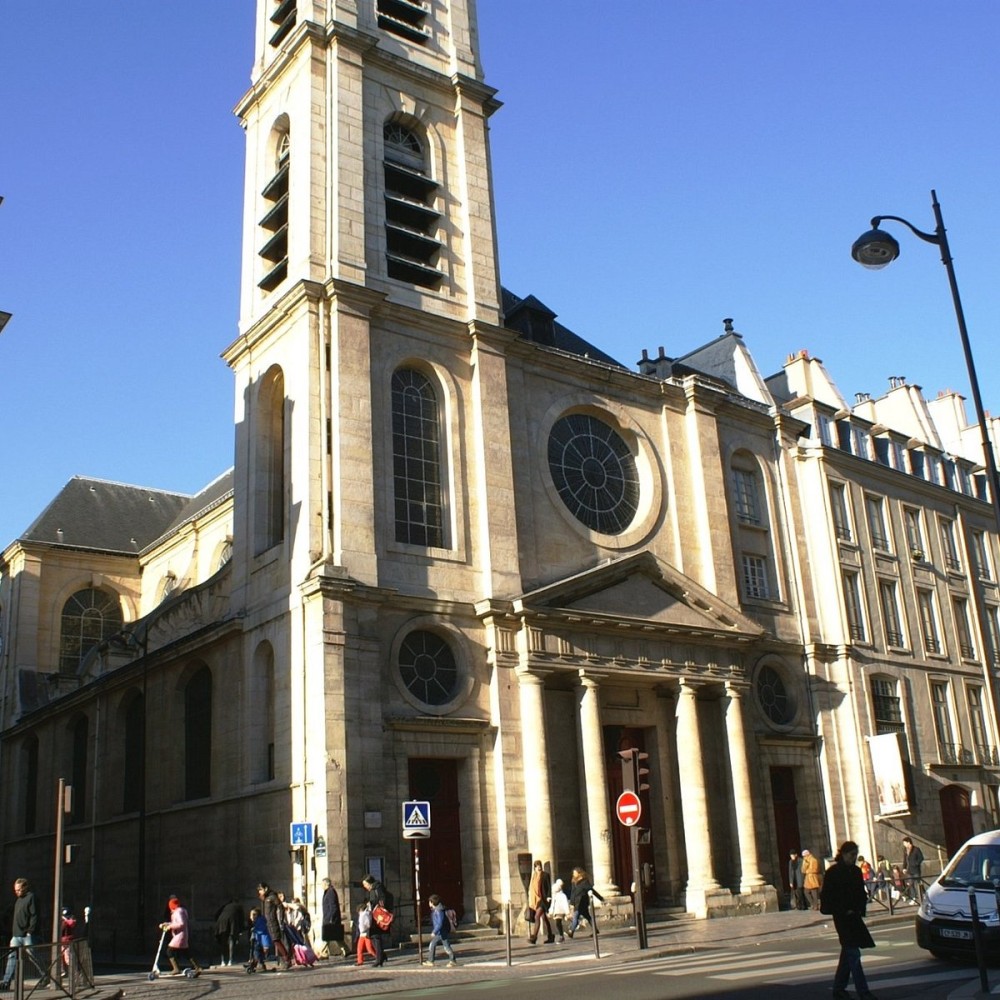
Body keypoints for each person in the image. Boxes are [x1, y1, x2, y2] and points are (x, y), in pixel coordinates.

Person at [819, 840, 877, 1000]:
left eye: (855, 855)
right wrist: (844, 909)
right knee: (853, 953)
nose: (854, 858)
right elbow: (828, 897)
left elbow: (860, 893)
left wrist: (858, 908)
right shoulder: (833, 872)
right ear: (843, 854)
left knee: (848, 953)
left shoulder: (856, 871)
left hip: (855, 917)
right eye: (852, 855)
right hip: (842, 918)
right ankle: (863, 992)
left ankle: (838, 988)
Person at [1, 878, 46, 990]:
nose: (16, 892)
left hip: (27, 934)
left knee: (33, 956)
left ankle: (45, 975)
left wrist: (30, 931)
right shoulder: (18, 900)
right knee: (12, 957)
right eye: (15, 890)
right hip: (16, 934)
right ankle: (6, 982)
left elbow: (34, 915)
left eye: (19, 890)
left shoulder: (31, 897)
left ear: (25, 887)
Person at [160, 896, 203, 977]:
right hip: (181, 935)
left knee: (169, 951)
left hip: (179, 936)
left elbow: (181, 924)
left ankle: (176, 968)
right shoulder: (180, 911)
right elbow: (177, 922)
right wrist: (167, 924)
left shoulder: (178, 912)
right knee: (186, 952)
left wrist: (170, 927)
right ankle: (198, 967)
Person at [256, 883, 292, 970]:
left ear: (265, 889)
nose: (259, 892)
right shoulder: (265, 898)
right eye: (259, 890)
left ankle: (287, 960)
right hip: (265, 922)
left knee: (276, 941)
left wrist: (280, 920)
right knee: (260, 941)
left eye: (261, 889)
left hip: (272, 922)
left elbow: (280, 907)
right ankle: (259, 962)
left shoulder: (272, 896)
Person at [361, 874, 392, 968]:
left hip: (378, 916)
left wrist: (373, 905)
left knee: (375, 937)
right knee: (373, 937)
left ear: (370, 883)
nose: (364, 886)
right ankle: (381, 956)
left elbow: (381, 900)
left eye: (365, 884)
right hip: (373, 916)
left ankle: (379, 959)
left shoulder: (378, 888)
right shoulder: (371, 890)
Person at [422, 895, 458, 968]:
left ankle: (451, 960)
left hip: (441, 932)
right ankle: (432, 960)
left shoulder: (439, 911)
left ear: (432, 902)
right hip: (440, 932)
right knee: (442, 945)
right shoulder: (436, 910)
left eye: (429, 902)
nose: (429, 903)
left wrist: (434, 931)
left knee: (439, 946)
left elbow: (440, 923)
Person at [567, 867, 603, 937]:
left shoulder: (584, 882)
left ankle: (571, 931)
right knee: (587, 917)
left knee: (576, 917)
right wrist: (571, 903)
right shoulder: (574, 882)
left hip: (582, 902)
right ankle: (595, 930)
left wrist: (600, 898)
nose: (573, 874)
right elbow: (573, 893)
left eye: (575, 873)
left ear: (579, 873)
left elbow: (591, 890)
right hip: (576, 902)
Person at [527, 860, 554, 944]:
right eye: (536, 866)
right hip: (536, 900)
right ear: (534, 867)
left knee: (537, 916)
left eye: (539, 865)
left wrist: (549, 896)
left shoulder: (545, 875)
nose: (538, 867)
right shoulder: (533, 876)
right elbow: (532, 889)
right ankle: (550, 936)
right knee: (544, 918)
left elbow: (549, 887)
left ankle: (534, 937)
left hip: (543, 899)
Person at [319, 878, 347, 958]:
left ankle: (323, 953)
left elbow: (333, 906)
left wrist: (332, 918)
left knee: (327, 936)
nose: (321, 886)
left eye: (322, 884)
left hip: (330, 918)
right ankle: (346, 950)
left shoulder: (331, 892)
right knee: (336, 936)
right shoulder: (328, 892)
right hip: (328, 917)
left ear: (326, 884)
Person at [214, 899, 244, 966]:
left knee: (223, 942)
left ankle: (223, 961)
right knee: (231, 940)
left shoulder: (225, 905)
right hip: (232, 922)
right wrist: (241, 930)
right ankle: (231, 960)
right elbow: (241, 918)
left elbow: (216, 915)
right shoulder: (238, 906)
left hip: (221, 922)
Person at [245, 907, 272, 972]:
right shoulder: (257, 920)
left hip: (263, 940)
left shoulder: (260, 920)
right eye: (251, 915)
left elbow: (261, 930)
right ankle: (255, 964)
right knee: (257, 953)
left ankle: (259, 965)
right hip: (259, 940)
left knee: (258, 953)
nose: (252, 916)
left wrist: (254, 930)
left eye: (254, 915)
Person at [902, 836, 925, 903]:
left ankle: (923, 895)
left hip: (915, 870)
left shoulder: (916, 849)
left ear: (909, 842)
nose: (904, 844)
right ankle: (913, 898)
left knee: (919, 883)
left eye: (905, 843)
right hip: (909, 870)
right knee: (910, 884)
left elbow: (921, 858)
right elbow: (905, 860)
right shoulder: (905, 850)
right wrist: (904, 867)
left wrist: (916, 863)